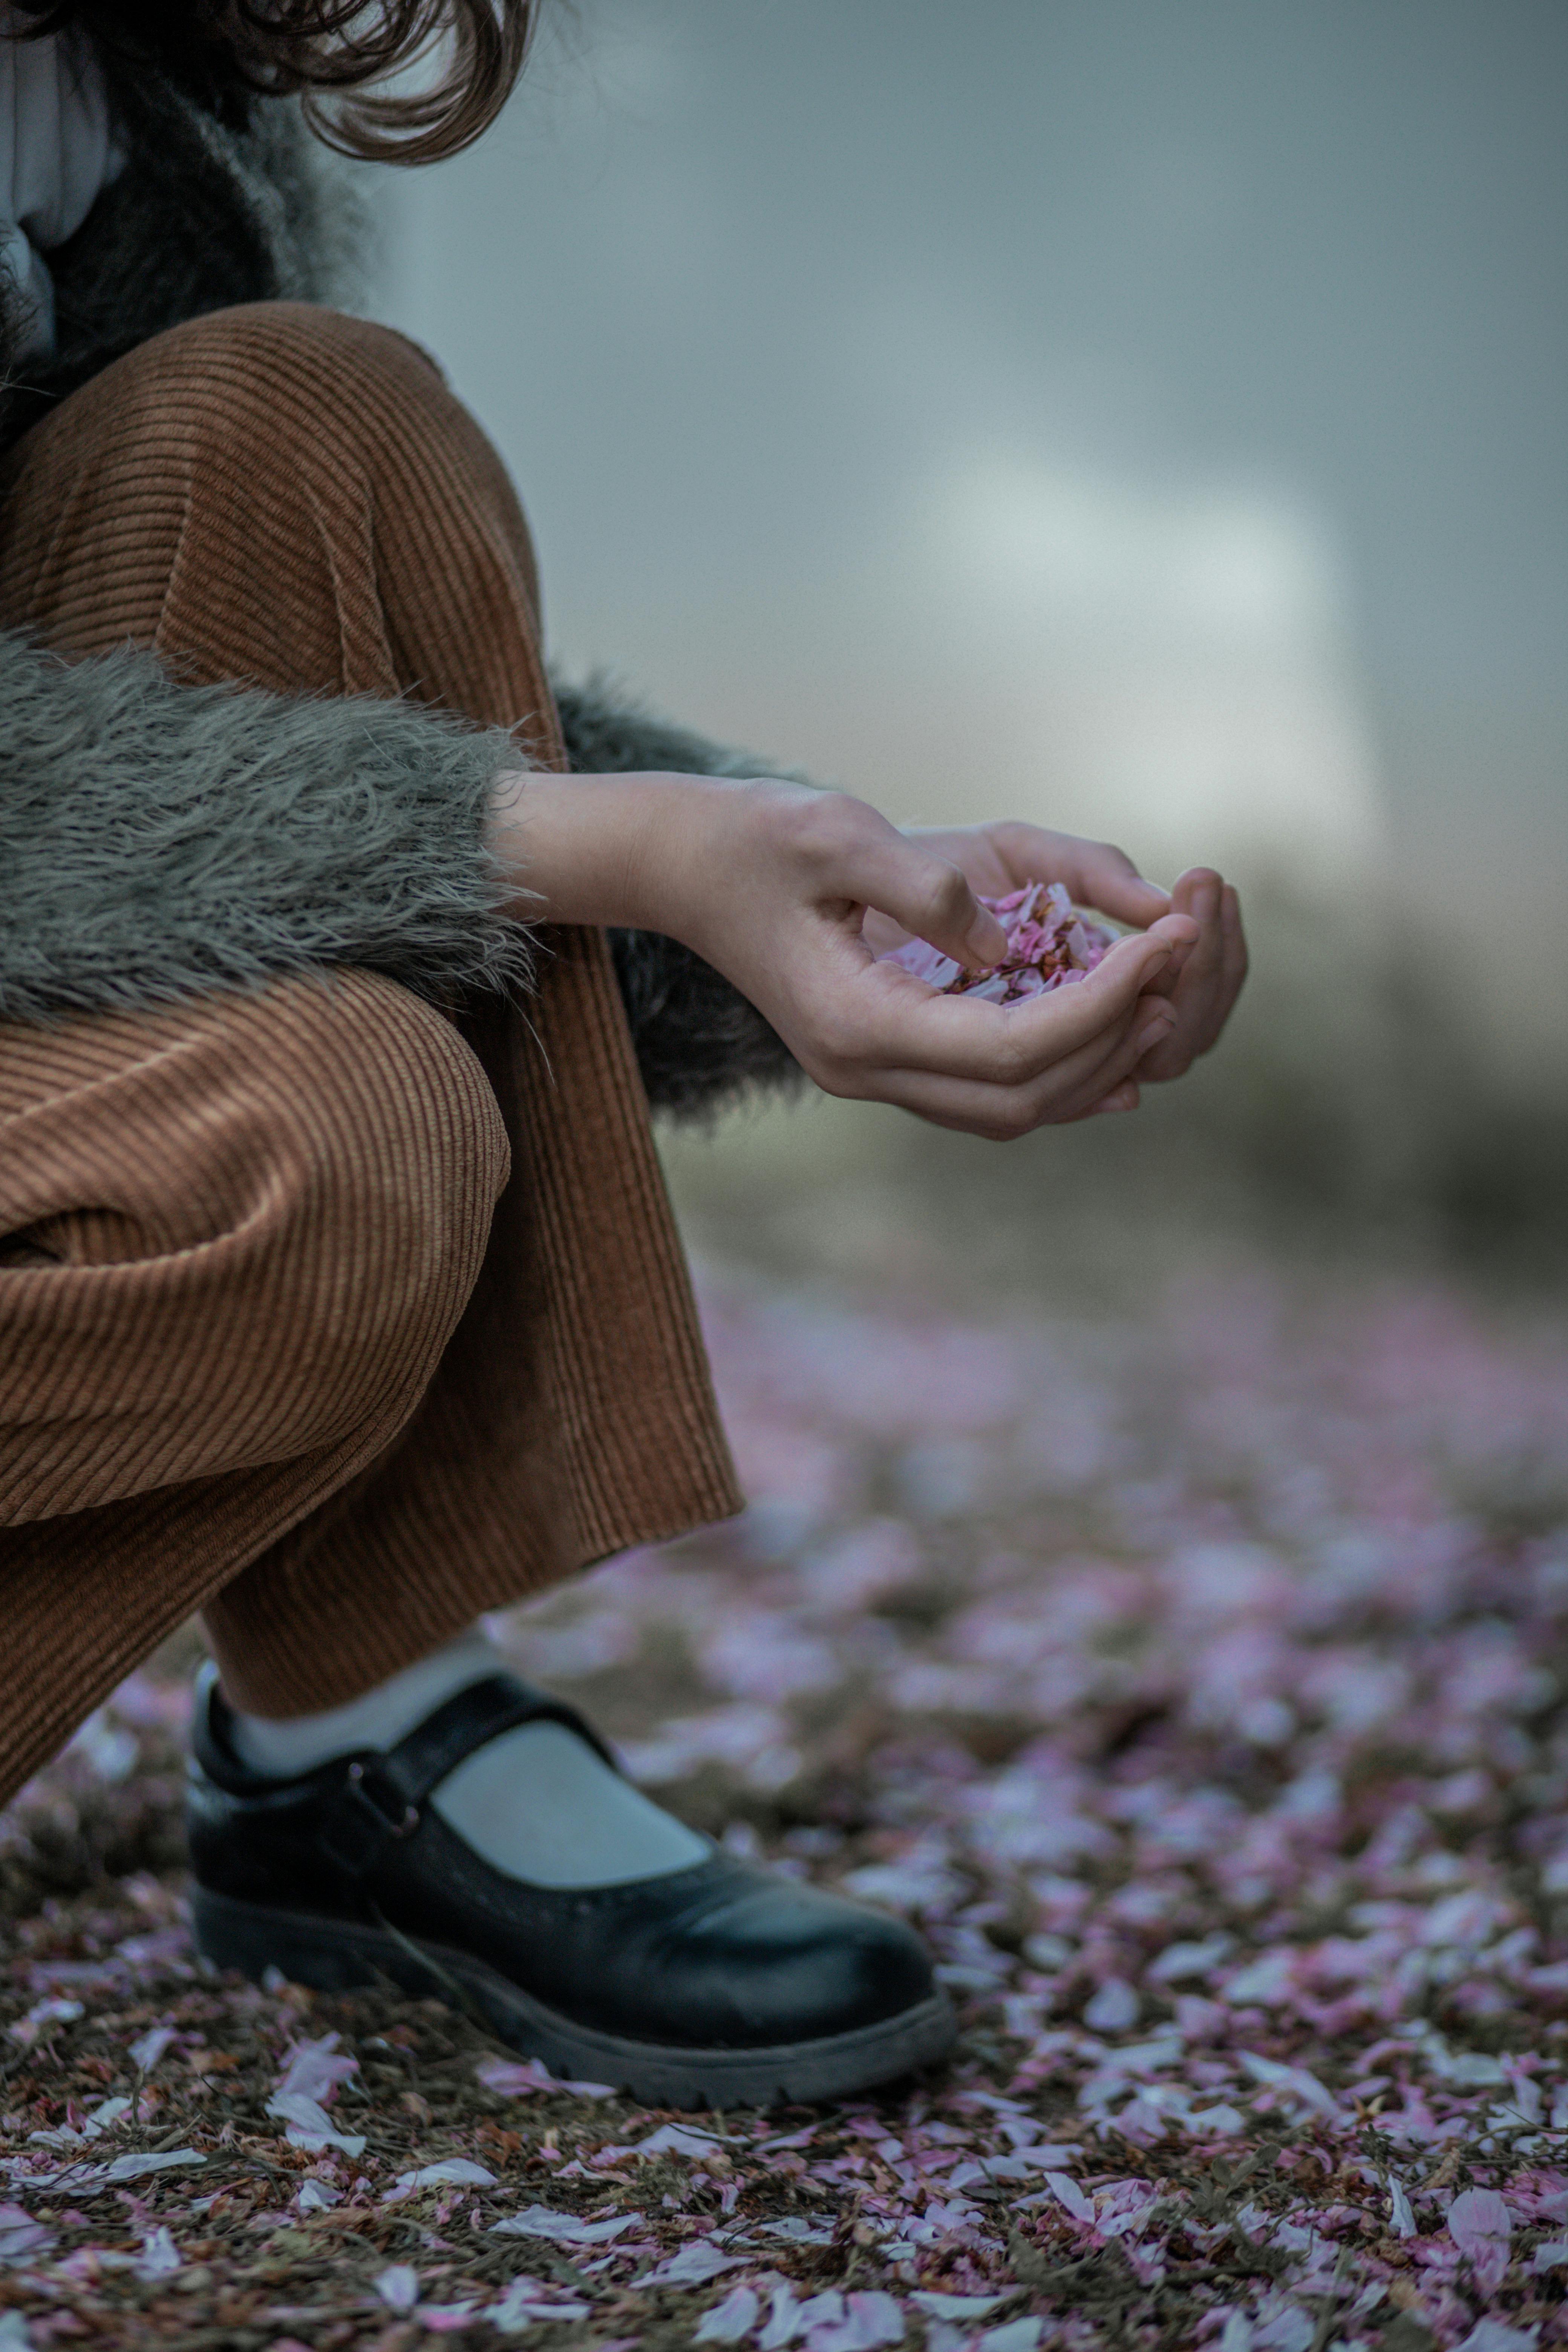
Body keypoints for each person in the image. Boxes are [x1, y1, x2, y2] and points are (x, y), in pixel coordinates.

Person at [0, 0, 1246, 2106]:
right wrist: (628, 856)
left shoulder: (137, 64)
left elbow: (266, 727)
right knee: (329, 1158)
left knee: (302, 427)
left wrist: (836, 916)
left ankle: (354, 1718)